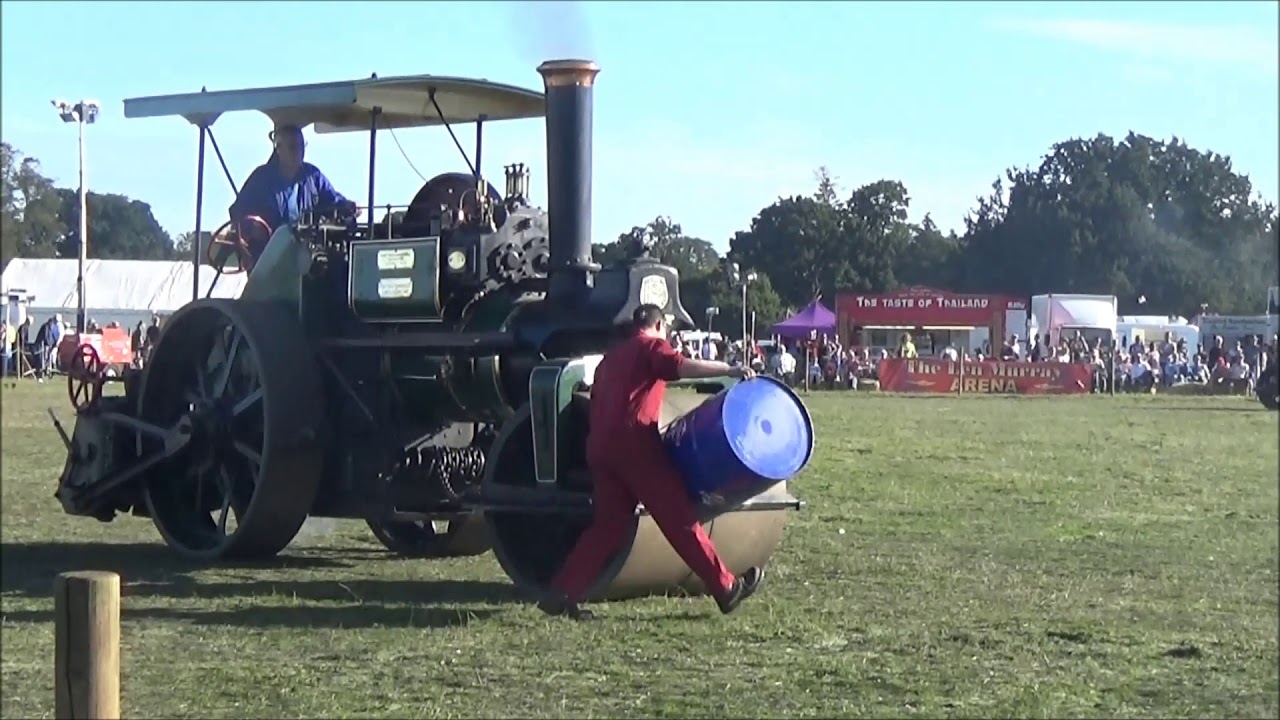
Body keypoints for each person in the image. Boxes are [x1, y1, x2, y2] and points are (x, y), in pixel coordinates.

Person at [538, 304, 764, 621]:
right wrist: (728, 369)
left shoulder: (609, 360)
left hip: (600, 448)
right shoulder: (652, 347)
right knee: (679, 520)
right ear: (659, 326)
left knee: (606, 527)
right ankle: (725, 588)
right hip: (636, 447)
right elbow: (682, 367)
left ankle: (562, 593)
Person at [228, 123, 357, 261]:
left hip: (305, 257)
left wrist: (350, 207)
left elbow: (333, 201)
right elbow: (238, 211)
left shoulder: (313, 176)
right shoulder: (261, 178)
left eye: (302, 146)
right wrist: (251, 229)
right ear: (278, 149)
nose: (299, 151)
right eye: (293, 147)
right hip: (268, 260)